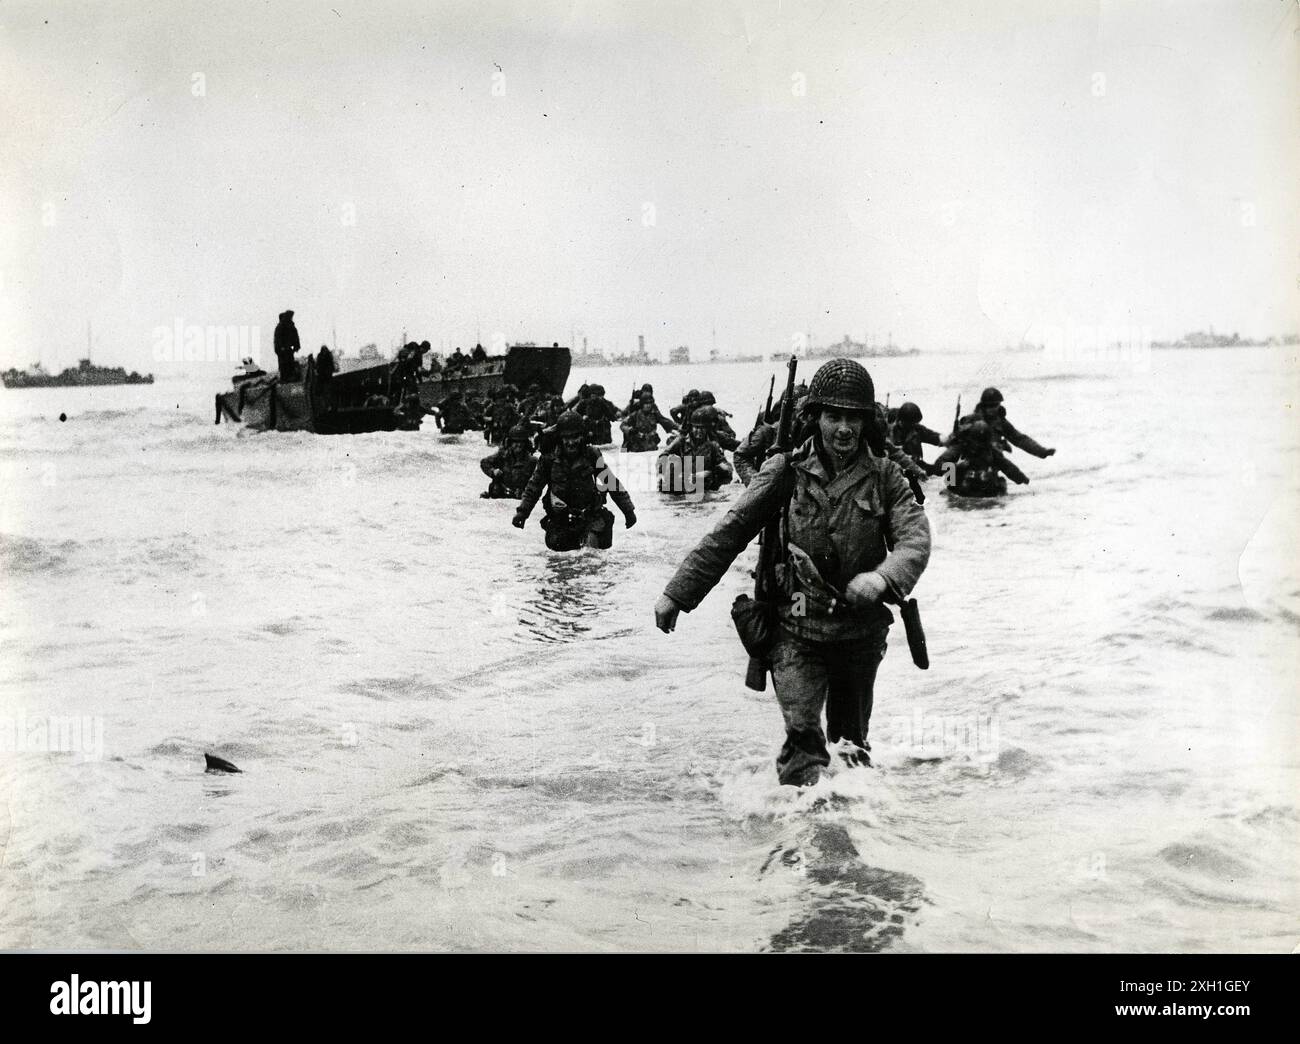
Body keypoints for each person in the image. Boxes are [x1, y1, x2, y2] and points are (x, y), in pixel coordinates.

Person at [653, 359, 931, 787]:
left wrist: (883, 578)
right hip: (795, 629)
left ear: (865, 421)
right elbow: (730, 531)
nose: (843, 428)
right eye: (833, 416)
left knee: (851, 747)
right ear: (815, 417)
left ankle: (850, 835)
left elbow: (914, 538)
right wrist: (677, 594)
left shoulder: (885, 476)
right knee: (804, 743)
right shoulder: (784, 471)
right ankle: (798, 833)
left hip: (859, 633)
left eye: (852, 418)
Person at [513, 411, 637, 551]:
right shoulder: (549, 459)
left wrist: (628, 511)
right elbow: (534, 487)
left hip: (590, 518)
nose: (571, 442)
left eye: (575, 437)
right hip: (560, 520)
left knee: (590, 551)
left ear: (582, 436)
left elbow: (610, 482)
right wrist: (522, 512)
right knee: (560, 553)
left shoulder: (591, 455)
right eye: (567, 437)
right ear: (560, 438)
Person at [657, 405, 734, 493]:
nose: (699, 431)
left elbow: (726, 467)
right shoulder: (681, 441)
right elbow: (664, 455)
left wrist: (708, 472)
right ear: (691, 428)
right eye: (696, 428)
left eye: (702, 428)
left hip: (703, 483)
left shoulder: (712, 445)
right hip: (683, 482)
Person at [971, 387, 1056, 459]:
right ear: (983, 405)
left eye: (995, 405)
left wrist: (1042, 452)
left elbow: (1019, 439)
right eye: (989, 405)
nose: (992, 408)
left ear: (999, 405)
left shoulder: (1000, 423)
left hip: (993, 464)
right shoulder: (972, 421)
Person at [480, 423, 538, 498]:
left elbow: (537, 483)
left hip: (519, 497)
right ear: (510, 443)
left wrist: (527, 491)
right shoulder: (502, 456)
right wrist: (493, 471)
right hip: (499, 495)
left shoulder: (532, 461)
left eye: (521, 442)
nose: (519, 445)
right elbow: (484, 462)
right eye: (516, 442)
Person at [888, 402, 942, 475]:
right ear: (903, 421)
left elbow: (934, 437)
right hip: (897, 469)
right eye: (912, 423)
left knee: (944, 468)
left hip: (917, 466)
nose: (914, 425)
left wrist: (948, 439)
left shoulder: (916, 429)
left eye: (915, 422)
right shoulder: (890, 431)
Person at [273, 310, 301, 381]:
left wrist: (295, 346)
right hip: (284, 350)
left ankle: (288, 377)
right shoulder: (281, 327)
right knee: (285, 365)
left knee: (288, 364)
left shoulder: (289, 326)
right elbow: (278, 339)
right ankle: (286, 378)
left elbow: (295, 337)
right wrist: (282, 348)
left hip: (287, 349)